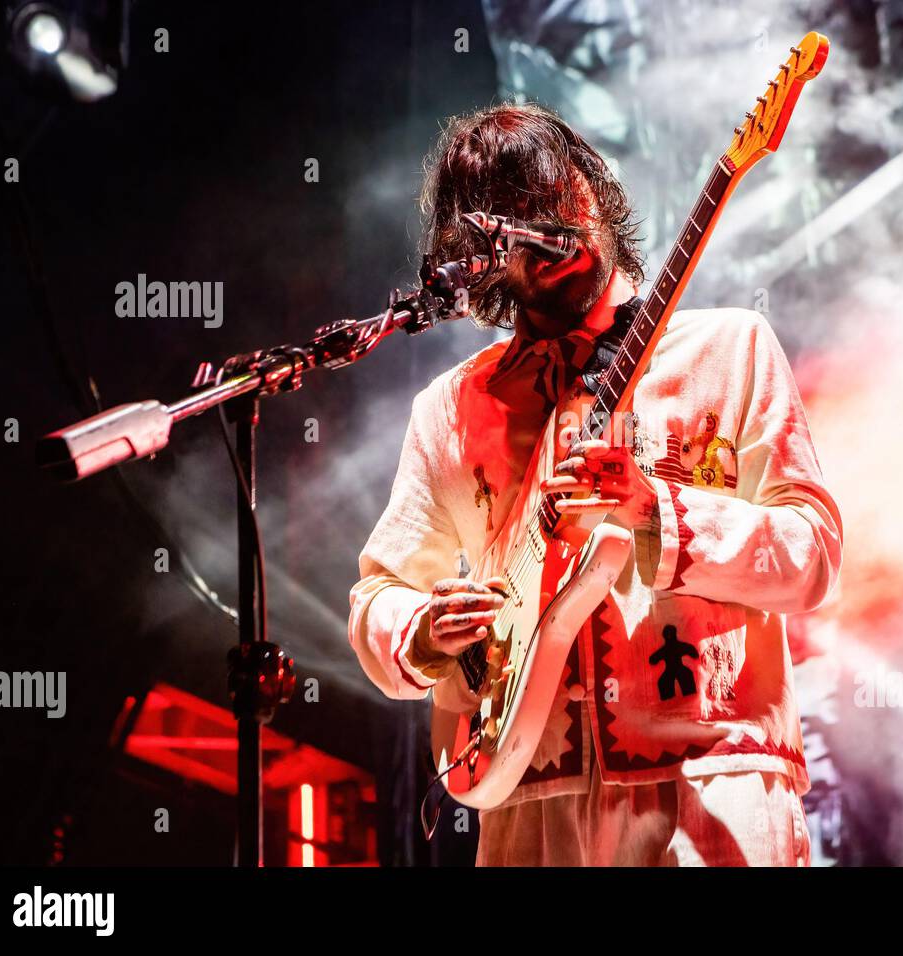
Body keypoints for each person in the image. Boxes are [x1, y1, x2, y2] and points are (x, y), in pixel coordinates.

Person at [348, 102, 842, 866]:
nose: (551, 229)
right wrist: (419, 627)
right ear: (480, 250)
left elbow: (814, 558)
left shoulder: (729, 348)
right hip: (527, 808)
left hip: (716, 788)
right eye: (515, 218)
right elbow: (378, 593)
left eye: (558, 199)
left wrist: (659, 509)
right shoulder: (452, 407)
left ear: (595, 193)